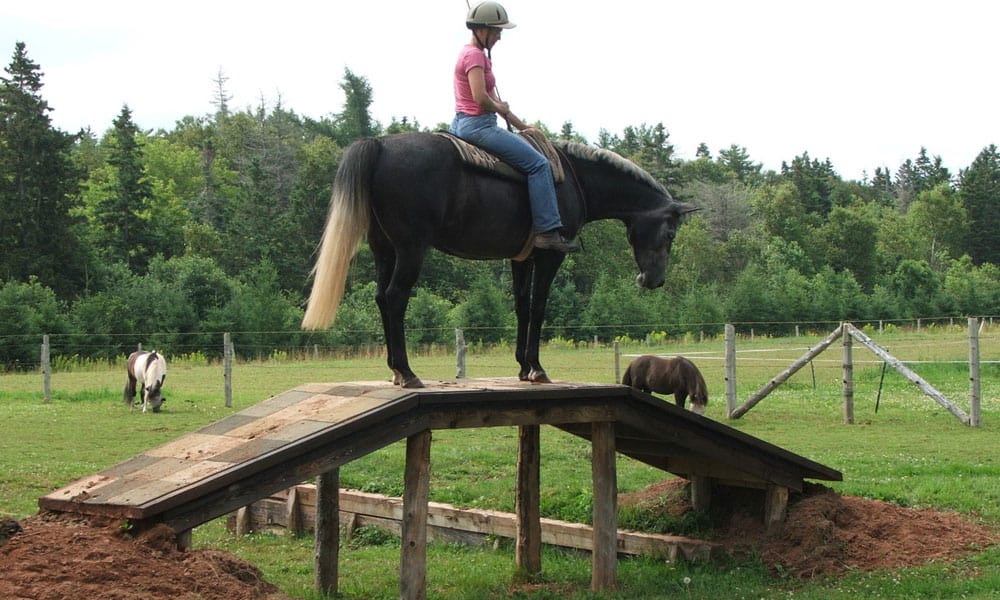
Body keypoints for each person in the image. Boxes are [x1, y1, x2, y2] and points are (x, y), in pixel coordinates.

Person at [450, 1, 580, 253]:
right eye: (497, 31)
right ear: (482, 30)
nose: (499, 37)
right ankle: (547, 231)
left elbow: (492, 100)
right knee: (539, 165)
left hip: (463, 122)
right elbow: (481, 98)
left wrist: (524, 127)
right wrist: (499, 107)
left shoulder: (472, 54)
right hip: (478, 126)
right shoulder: (474, 56)